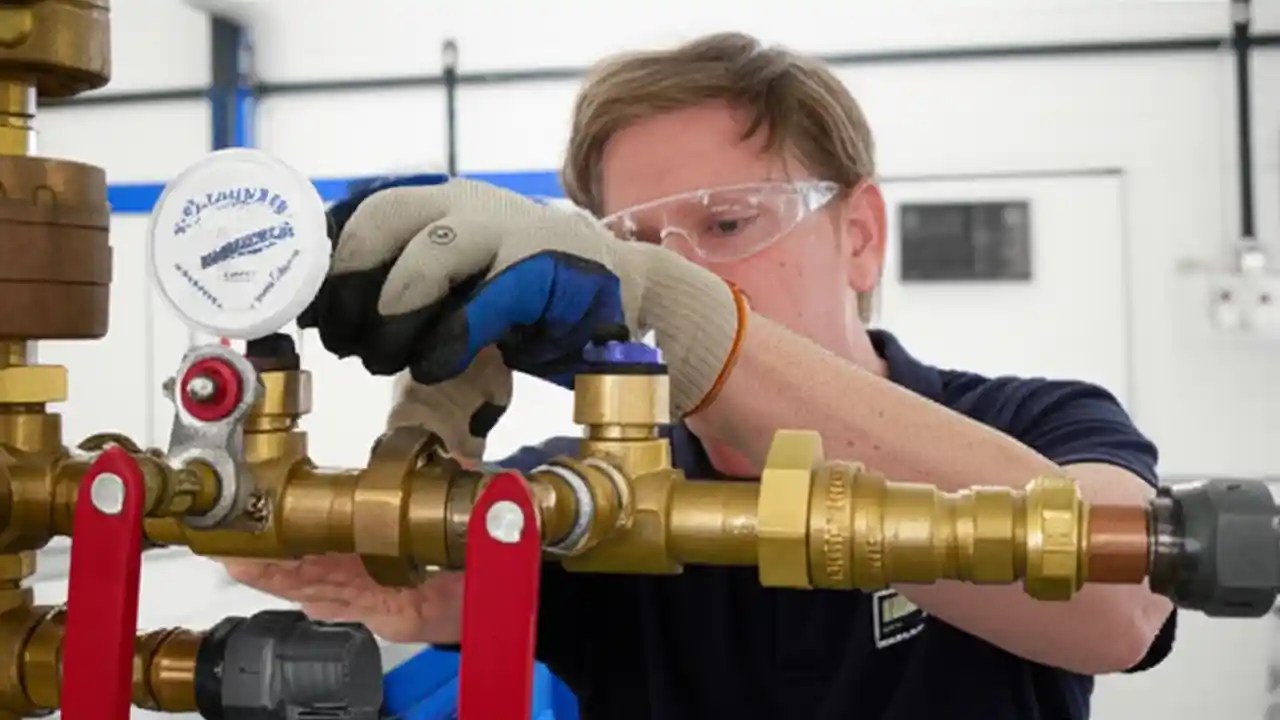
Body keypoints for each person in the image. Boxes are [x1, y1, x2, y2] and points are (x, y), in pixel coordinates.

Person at [225, 31, 1176, 719]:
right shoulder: (587, 485)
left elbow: (1115, 605)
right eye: (631, 244)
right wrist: (396, 447)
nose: (677, 270)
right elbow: (383, 575)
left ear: (860, 235)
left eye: (725, 224)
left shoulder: (1036, 423)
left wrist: (686, 323)